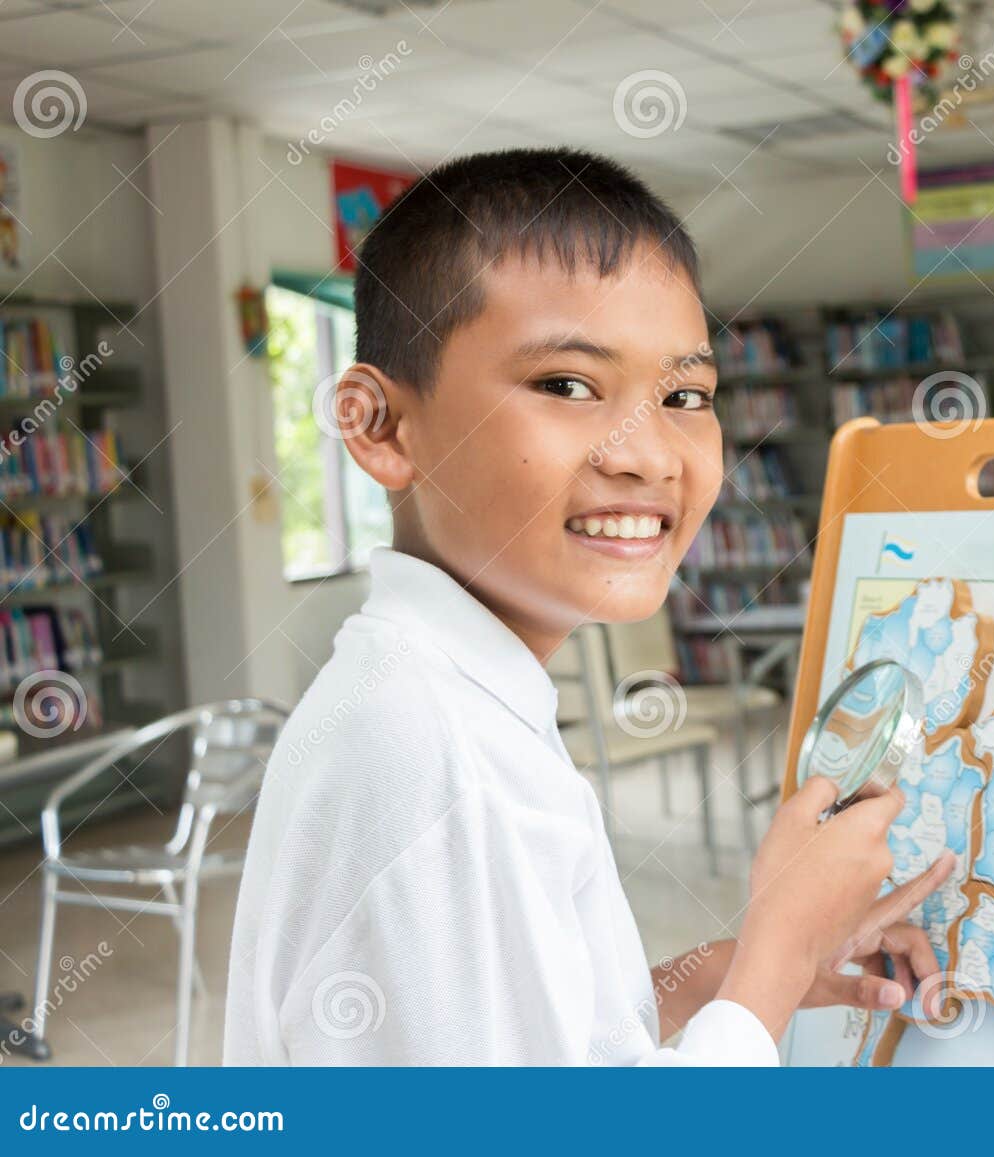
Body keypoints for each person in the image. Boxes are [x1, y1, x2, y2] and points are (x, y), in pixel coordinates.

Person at [224, 147, 955, 1065]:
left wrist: (734, 973)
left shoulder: (448, 695)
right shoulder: (430, 756)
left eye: (685, 395)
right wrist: (775, 948)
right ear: (382, 427)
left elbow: (544, 1035)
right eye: (568, 385)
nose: (648, 454)